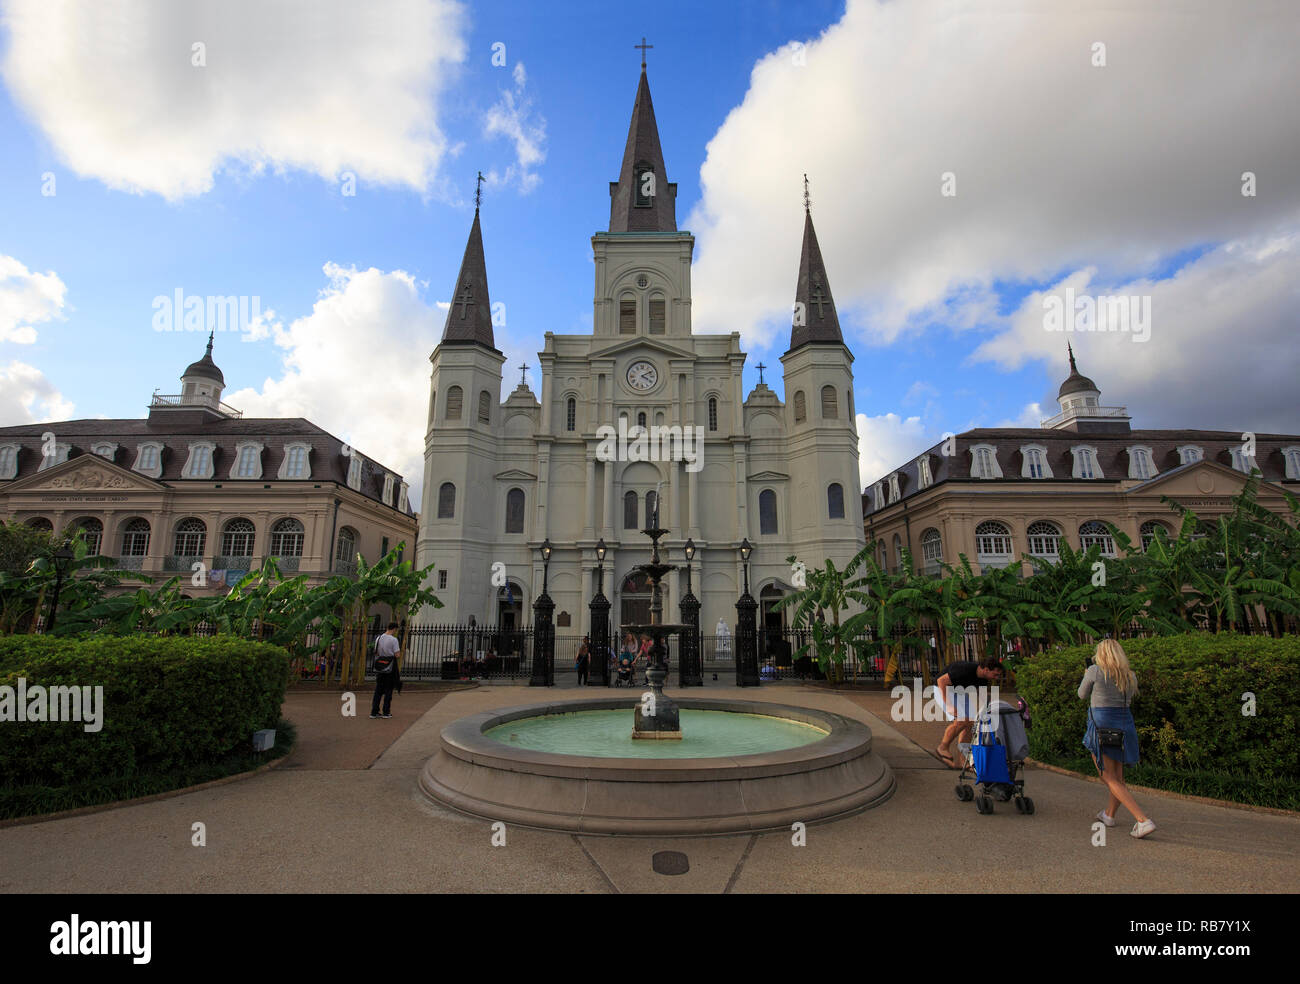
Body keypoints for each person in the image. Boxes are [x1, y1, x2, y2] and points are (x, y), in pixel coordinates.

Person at [1081, 639, 1154, 838]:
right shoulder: (1130, 676)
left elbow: (1081, 694)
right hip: (1124, 725)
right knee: (1119, 778)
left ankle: (1142, 820)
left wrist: (1086, 676)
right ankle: (1109, 815)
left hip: (1101, 726)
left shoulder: (1095, 671)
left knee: (1107, 776)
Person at [934, 656, 1003, 767]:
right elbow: (941, 681)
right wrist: (949, 705)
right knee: (961, 721)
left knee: (971, 723)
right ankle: (943, 747)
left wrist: (990, 709)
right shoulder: (964, 669)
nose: (997, 677)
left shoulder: (984, 678)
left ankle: (963, 761)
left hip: (960, 691)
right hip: (943, 689)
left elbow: (983, 696)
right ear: (986, 670)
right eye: (995, 674)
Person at [371, 622, 402, 719]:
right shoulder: (394, 640)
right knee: (389, 689)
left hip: (380, 665)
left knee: (378, 689)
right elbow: (397, 655)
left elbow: (375, 652)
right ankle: (386, 711)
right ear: (394, 629)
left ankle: (374, 711)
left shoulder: (378, 638)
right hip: (390, 665)